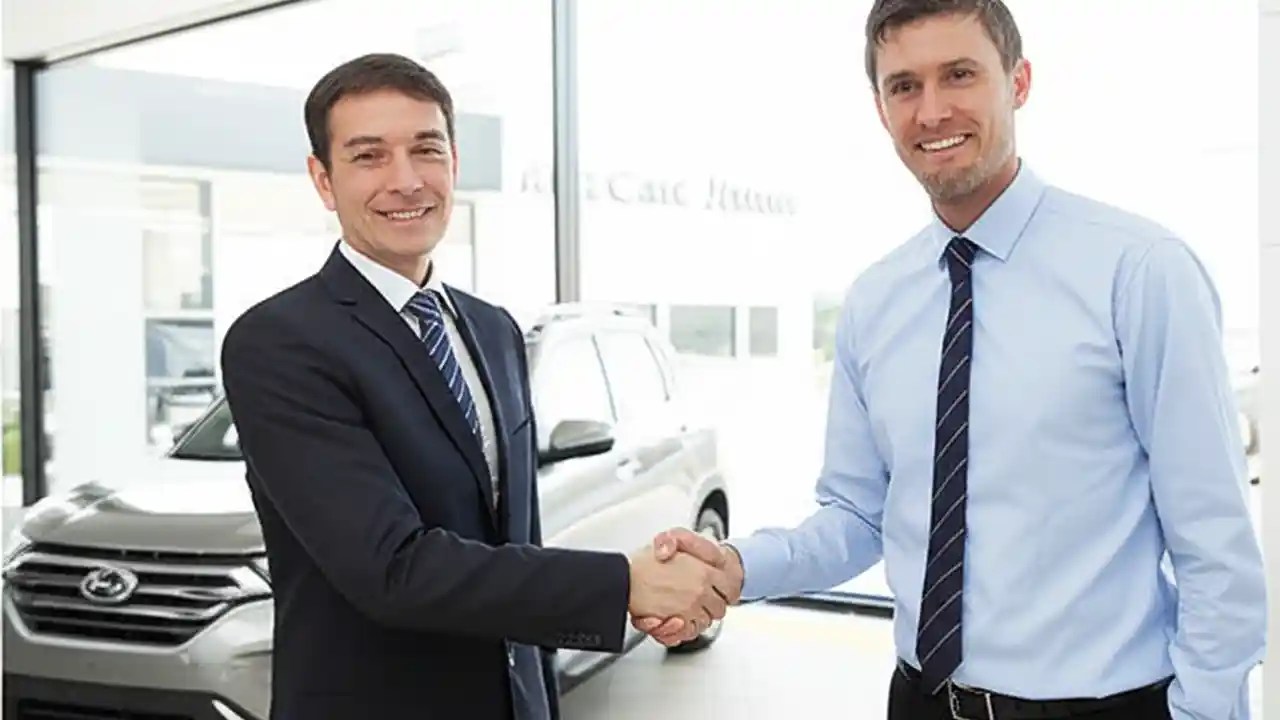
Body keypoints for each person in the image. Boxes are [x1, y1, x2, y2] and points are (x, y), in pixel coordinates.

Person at [635, 1, 1267, 718]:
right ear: (881, 108)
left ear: (1019, 82)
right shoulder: (876, 301)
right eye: (904, 86)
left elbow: (1213, 542)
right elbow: (857, 515)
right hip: (920, 701)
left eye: (959, 75)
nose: (931, 111)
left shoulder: (1142, 272)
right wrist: (735, 567)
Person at [219, 53, 732, 720]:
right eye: (369, 156)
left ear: (454, 163)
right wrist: (623, 585)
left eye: (425, 149)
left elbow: (515, 543)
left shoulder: (492, 330)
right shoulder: (281, 343)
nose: (406, 181)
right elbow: (391, 569)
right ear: (323, 179)